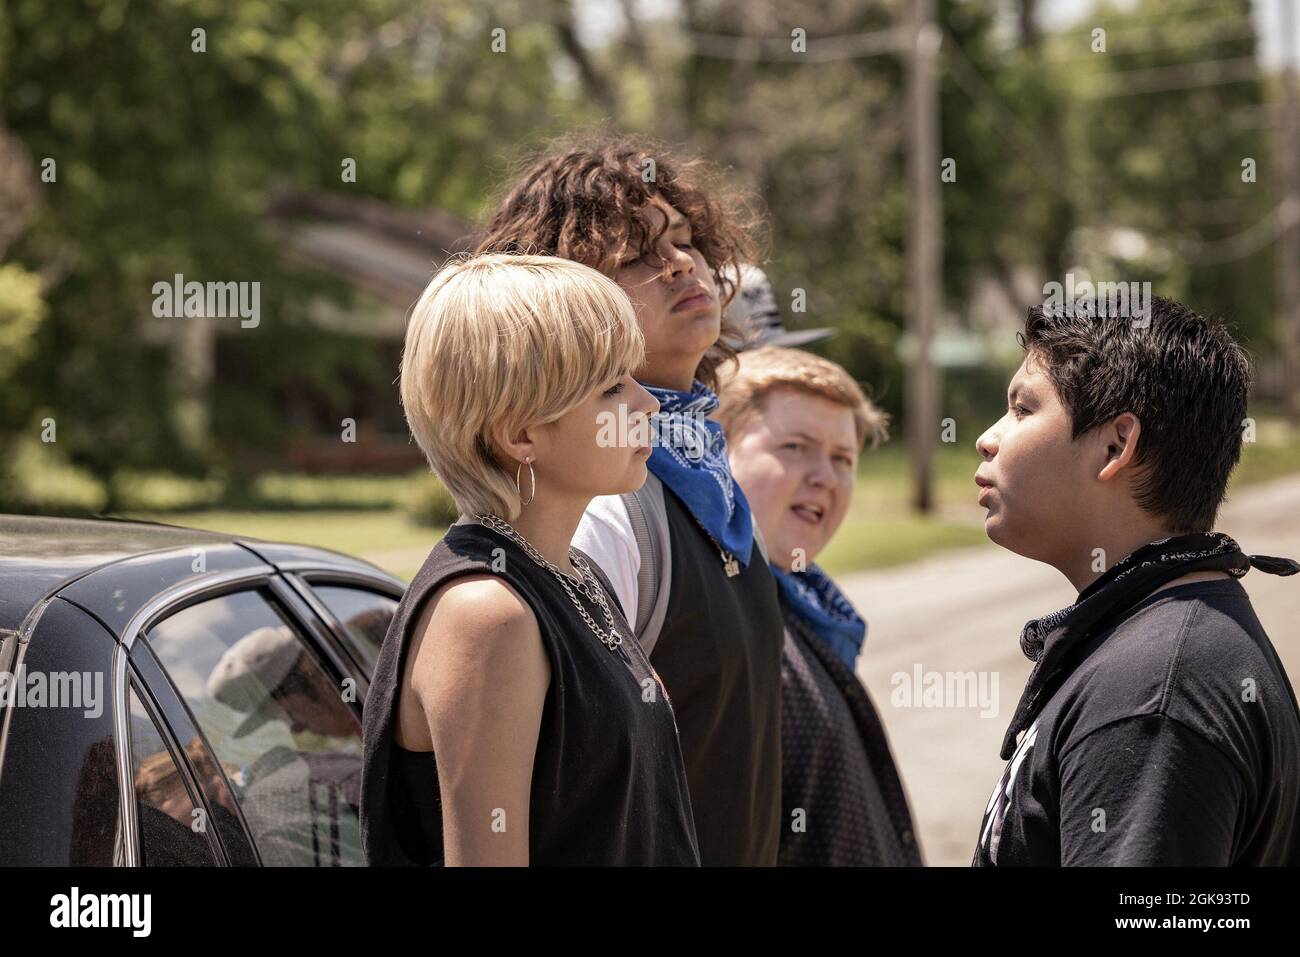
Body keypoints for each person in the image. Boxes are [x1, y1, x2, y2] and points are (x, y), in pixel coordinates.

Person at [476, 135, 785, 865]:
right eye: (637, 256)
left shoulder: (707, 469)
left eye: (684, 240)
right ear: (568, 303)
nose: (681, 262)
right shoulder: (604, 504)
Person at [360, 253, 700, 866]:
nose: (647, 405)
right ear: (519, 434)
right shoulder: (487, 613)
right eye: (612, 388)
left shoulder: (572, 573)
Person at [971, 295, 1300, 866]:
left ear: (1116, 445)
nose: (988, 438)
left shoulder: (1155, 696)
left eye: (1023, 409)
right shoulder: (1173, 641)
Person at [716, 346, 922, 866]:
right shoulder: (713, 618)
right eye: (795, 446)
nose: (825, 477)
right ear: (715, 450)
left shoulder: (803, 607)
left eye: (842, 459)